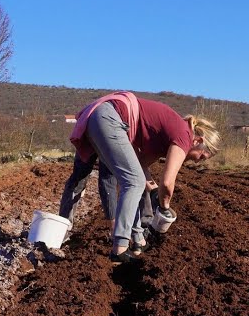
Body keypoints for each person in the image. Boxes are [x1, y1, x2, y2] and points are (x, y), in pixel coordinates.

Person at [62, 91, 219, 262]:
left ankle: (138, 240)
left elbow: (139, 168)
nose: (198, 162)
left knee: (134, 181)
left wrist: (151, 190)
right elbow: (167, 183)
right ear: (197, 141)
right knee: (134, 183)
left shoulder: (167, 138)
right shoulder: (185, 136)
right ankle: (120, 248)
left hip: (99, 115)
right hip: (109, 117)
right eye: (201, 157)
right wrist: (164, 206)